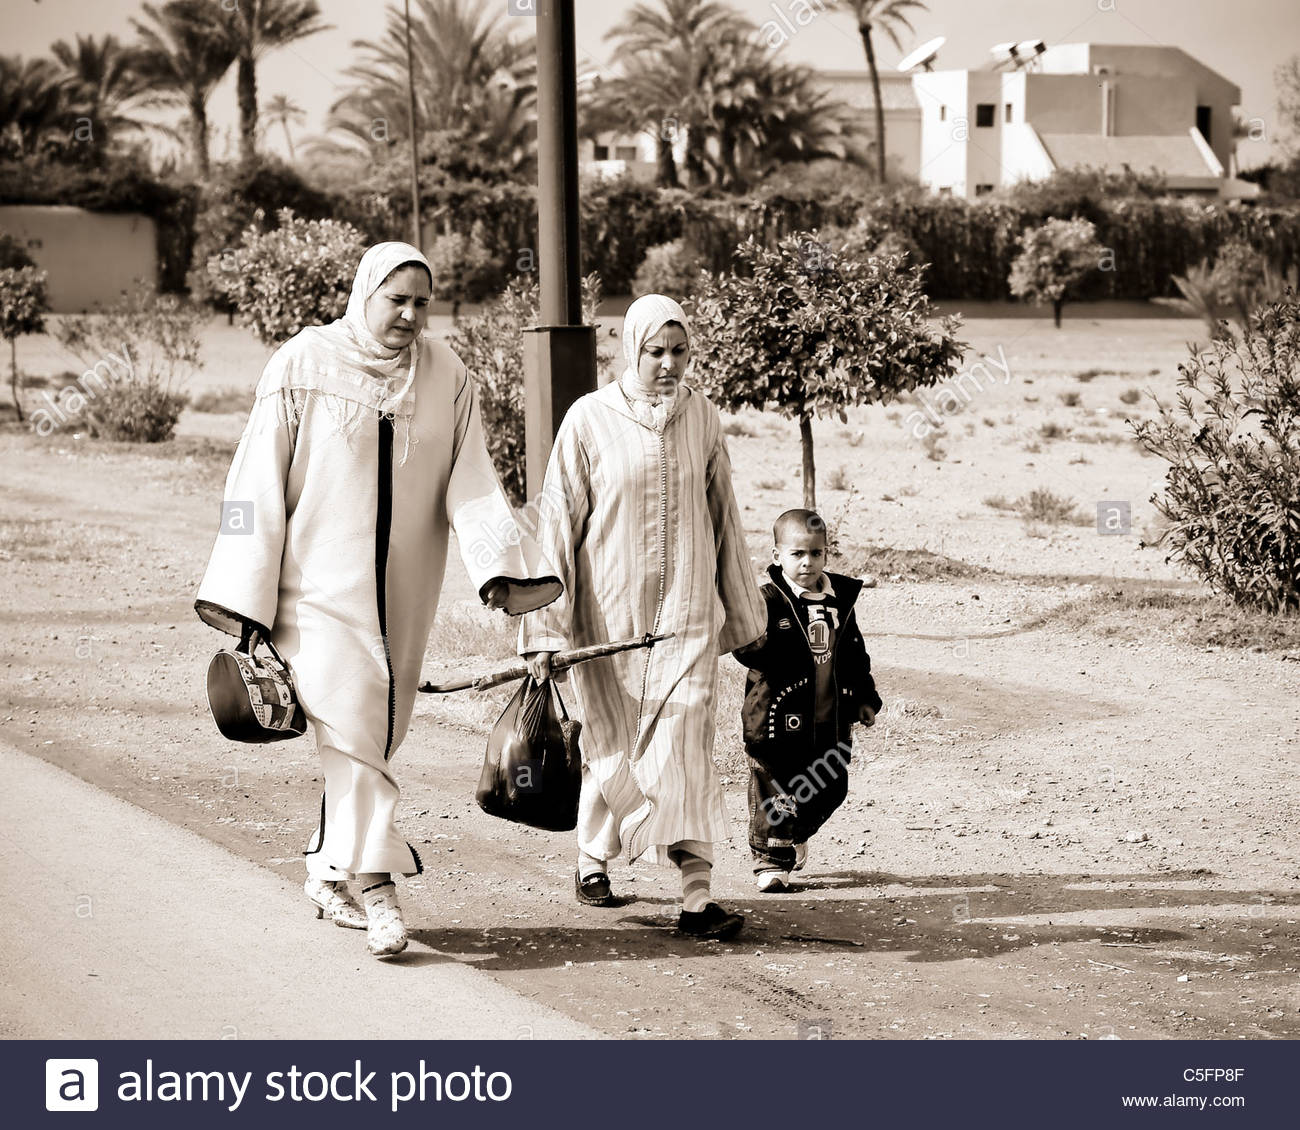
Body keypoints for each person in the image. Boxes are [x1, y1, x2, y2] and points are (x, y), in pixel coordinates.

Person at [195, 242, 560, 958]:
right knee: (357, 723)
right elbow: (252, 481)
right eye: (396, 299)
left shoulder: (447, 375)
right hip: (316, 591)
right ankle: (379, 888)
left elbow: (474, 478)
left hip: (406, 595)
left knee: (376, 734)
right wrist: (242, 588)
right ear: (364, 294)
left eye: (422, 302)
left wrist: (503, 570)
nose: (410, 315)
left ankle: (326, 865)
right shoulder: (303, 364)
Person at [520, 294, 764, 941]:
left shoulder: (702, 419)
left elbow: (726, 520)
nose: (669, 364)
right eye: (656, 351)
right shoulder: (588, 420)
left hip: (685, 618)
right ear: (630, 350)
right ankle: (592, 858)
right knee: (618, 747)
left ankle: (697, 896)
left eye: (680, 352)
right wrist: (544, 628)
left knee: (684, 746)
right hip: (605, 622)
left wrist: (743, 615)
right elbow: (556, 526)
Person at [736, 509, 882, 892]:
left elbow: (854, 655)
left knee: (832, 786)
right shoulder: (768, 601)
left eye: (816, 553)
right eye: (798, 554)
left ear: (826, 554)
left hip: (829, 719)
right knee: (776, 787)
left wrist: (865, 697)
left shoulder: (839, 601)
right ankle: (771, 860)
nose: (807, 562)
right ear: (777, 555)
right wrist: (759, 639)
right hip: (775, 718)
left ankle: (794, 833)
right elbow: (745, 648)